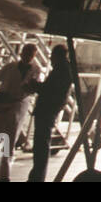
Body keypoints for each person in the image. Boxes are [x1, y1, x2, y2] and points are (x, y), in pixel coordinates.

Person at [0, 43, 40, 181]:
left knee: (8, 146)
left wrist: (31, 90)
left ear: (34, 56)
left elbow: (34, 88)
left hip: (18, 107)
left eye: (31, 54)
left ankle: (3, 178)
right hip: (1, 106)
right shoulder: (10, 67)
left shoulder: (36, 69)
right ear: (21, 53)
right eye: (25, 53)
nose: (27, 56)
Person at [27, 44, 73, 182]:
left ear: (57, 55)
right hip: (50, 109)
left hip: (46, 110)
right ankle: (36, 176)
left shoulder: (61, 69)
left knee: (41, 145)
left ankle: (37, 178)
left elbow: (49, 90)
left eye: (52, 56)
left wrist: (35, 85)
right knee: (41, 144)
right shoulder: (65, 68)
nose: (51, 59)